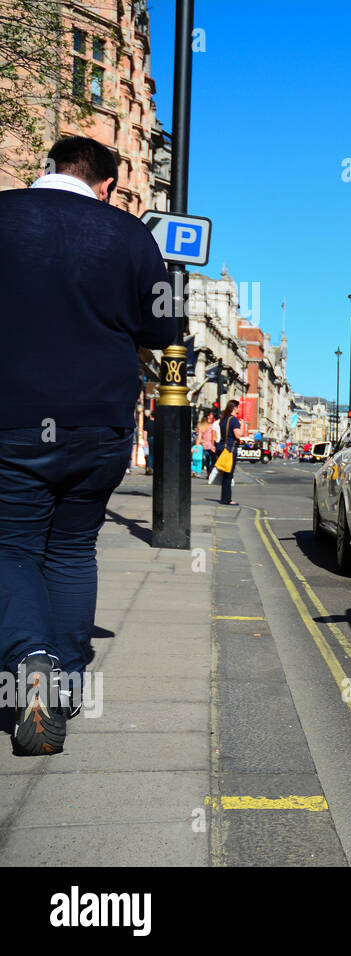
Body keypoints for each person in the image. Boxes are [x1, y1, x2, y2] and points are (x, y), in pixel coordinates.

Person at [0, 136, 174, 755]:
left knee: (13, 545)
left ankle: (32, 660)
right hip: (101, 420)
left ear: (47, 170)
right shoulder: (130, 235)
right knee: (74, 548)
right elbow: (162, 326)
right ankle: (65, 682)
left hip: (13, 415)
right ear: (105, 185)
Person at [215, 400, 247, 506]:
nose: (239, 409)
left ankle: (224, 498)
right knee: (229, 475)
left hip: (222, 447)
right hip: (230, 449)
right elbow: (238, 435)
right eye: (238, 407)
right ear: (234, 408)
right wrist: (242, 425)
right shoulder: (234, 420)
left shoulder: (223, 420)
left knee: (225, 474)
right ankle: (227, 499)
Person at [200, 410, 217, 475]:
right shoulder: (204, 425)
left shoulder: (214, 424)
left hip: (212, 444)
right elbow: (200, 435)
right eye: (210, 415)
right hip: (206, 445)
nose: (211, 417)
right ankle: (209, 472)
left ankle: (211, 471)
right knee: (207, 459)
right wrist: (199, 443)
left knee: (212, 459)